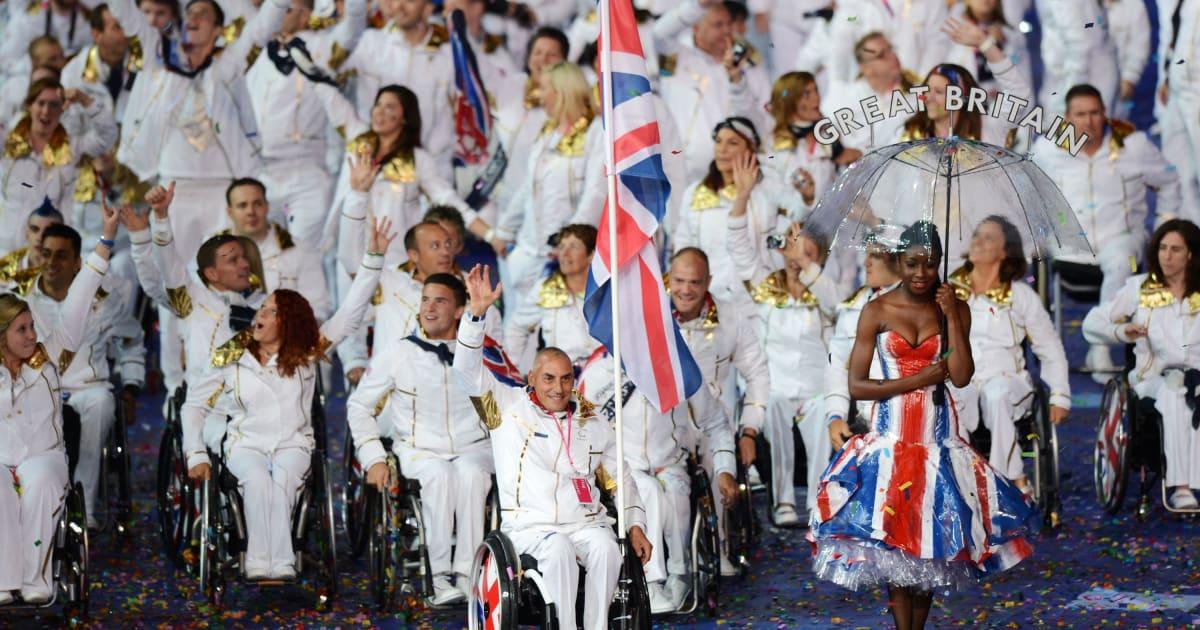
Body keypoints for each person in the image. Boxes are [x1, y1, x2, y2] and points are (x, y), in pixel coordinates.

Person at [810, 221, 1035, 630]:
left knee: (929, 541)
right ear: (899, 262)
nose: (920, 273)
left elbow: (963, 375)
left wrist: (951, 315)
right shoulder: (876, 310)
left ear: (941, 264)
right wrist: (918, 379)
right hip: (892, 437)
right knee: (897, 543)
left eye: (930, 265)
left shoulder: (954, 307)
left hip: (936, 436)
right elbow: (857, 386)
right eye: (912, 263)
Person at [182, 216, 391, 580]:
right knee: (257, 481)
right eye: (262, 308)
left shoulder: (306, 354)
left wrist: (372, 258)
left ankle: (279, 562)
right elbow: (194, 405)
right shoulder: (230, 354)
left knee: (282, 480)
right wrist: (196, 452)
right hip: (245, 443)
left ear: (288, 322)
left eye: (272, 311)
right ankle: (259, 559)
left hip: (293, 444)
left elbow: (349, 315)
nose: (260, 314)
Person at [453, 264, 653, 630]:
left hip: (586, 522)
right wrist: (476, 315)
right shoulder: (506, 409)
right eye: (548, 378)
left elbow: (619, 479)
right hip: (531, 526)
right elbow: (466, 371)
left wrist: (636, 523)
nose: (558, 388)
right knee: (559, 548)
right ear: (532, 378)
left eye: (565, 379)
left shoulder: (593, 421)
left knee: (608, 548)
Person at [347, 274, 494, 606]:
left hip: (472, 446)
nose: (429, 307)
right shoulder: (398, 352)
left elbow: (504, 404)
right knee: (439, 477)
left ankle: (468, 572)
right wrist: (373, 457)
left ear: (459, 311)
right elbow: (359, 405)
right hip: (419, 449)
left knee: (472, 475)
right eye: (426, 299)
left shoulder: (481, 352)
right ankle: (439, 576)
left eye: (440, 300)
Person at [0, 200, 117, 605]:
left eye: (32, 326)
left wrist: (104, 243)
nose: (32, 334)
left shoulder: (48, 357)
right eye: (22, 329)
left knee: (44, 483)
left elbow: (80, 297)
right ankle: (4, 580)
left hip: (42, 456)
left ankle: (36, 579)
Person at [106, 0, 288, 261]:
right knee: (173, 274)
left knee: (224, 273)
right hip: (173, 190)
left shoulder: (227, 65)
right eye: (190, 13)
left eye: (203, 15)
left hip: (221, 190)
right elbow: (127, 15)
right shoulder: (159, 57)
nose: (194, 18)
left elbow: (260, 29)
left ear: (217, 29)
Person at [1031, 84, 1181, 378]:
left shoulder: (1133, 145)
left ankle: (1100, 344)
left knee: (1120, 259)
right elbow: (1027, 188)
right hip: (1070, 248)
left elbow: (1169, 181)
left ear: (1105, 114)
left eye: (1095, 113)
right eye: (1081, 114)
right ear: (1067, 118)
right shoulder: (1047, 150)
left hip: (1123, 241)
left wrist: (1164, 226)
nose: (1089, 121)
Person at [576, 352, 740, 614]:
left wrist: (724, 468)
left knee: (672, 491)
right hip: (619, 466)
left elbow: (717, 423)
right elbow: (578, 425)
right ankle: (650, 580)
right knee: (647, 490)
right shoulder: (598, 373)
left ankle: (680, 571)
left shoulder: (682, 368)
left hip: (670, 462)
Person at [726, 153, 840, 526]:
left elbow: (834, 301)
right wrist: (742, 197)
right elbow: (740, 250)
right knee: (770, 403)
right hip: (776, 387)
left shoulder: (823, 289)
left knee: (825, 409)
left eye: (807, 251)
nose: (796, 256)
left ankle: (820, 499)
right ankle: (784, 501)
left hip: (813, 388)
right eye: (791, 247)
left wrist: (804, 263)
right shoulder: (765, 287)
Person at [15, 223, 143, 527]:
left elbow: (132, 340)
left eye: (61, 256)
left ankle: (83, 506)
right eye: (46, 254)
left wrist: (131, 385)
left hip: (88, 388)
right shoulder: (19, 299)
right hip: (35, 388)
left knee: (100, 405)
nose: (51, 263)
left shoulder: (105, 302)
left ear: (76, 262)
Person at [1083, 219, 1200, 509]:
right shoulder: (1139, 289)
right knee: (1175, 394)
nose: (1167, 256)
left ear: (1191, 255)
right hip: (1154, 379)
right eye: (1162, 248)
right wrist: (1122, 332)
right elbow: (1092, 323)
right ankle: (1182, 487)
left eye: (1175, 249)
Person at [947, 216, 1070, 490]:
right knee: (952, 395)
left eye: (989, 237)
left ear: (1005, 252)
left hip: (1006, 379)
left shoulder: (1021, 295)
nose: (978, 240)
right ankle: (969, 477)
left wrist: (1060, 394)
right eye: (977, 234)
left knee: (997, 394)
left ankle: (1004, 480)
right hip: (962, 376)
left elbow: (1049, 347)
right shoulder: (950, 291)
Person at [667, 247, 765, 574]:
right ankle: (672, 565)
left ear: (708, 281)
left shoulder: (731, 316)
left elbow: (758, 374)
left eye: (694, 282)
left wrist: (750, 428)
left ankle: (720, 548)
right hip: (667, 422)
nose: (685, 290)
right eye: (679, 280)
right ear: (668, 279)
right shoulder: (651, 317)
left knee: (717, 467)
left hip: (714, 423)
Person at [244, 0, 365, 250]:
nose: (277, 14)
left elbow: (354, 24)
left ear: (304, 16)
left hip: (305, 172)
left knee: (304, 255)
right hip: (260, 171)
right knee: (258, 255)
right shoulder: (257, 50)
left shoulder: (323, 48)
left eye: (286, 9)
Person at [491, 61, 601, 314]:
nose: (540, 95)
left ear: (562, 91)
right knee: (516, 331)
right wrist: (506, 230)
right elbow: (528, 187)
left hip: (563, 259)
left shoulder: (595, 133)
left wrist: (569, 244)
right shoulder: (547, 131)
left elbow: (595, 194)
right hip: (529, 251)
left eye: (545, 88)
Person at [653, 0, 770, 182]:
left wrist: (737, 81)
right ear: (696, 29)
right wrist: (698, 5)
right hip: (683, 174)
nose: (726, 31)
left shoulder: (750, 70)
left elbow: (759, 123)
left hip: (734, 176)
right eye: (718, 24)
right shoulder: (678, 59)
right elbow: (659, 34)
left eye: (729, 24)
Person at [672, 118, 780, 305]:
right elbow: (683, 246)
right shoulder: (695, 193)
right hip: (709, 300)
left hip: (755, 301)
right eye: (719, 141)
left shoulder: (770, 192)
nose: (722, 150)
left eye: (733, 143)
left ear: (751, 149)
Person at [1, 79, 118, 248]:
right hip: (7, 249)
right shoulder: (8, 143)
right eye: (40, 103)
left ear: (63, 109)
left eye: (54, 105)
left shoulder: (73, 148)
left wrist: (84, 100)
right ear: (29, 106)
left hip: (50, 252)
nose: (46, 111)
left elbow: (107, 135)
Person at [899, 17, 1033, 147]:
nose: (929, 98)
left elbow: (1018, 93)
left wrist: (984, 44)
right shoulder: (912, 135)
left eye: (939, 92)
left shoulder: (989, 128)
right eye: (926, 90)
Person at [825, 232, 901, 448]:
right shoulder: (852, 309)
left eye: (875, 255)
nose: (866, 262)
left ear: (898, 260)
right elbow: (837, 365)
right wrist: (835, 415)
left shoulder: (923, 308)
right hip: (865, 425)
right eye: (866, 254)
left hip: (910, 424)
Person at [219, 178, 331, 321]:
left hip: (284, 338)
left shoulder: (299, 250)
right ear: (229, 212)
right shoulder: (212, 252)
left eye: (257, 204)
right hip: (226, 339)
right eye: (242, 206)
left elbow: (318, 308)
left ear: (267, 206)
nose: (250, 212)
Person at [503, 224, 600, 372]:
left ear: (591, 254)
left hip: (604, 376)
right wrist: (511, 370)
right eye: (561, 247)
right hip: (561, 380)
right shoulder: (546, 288)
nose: (565, 254)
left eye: (573, 247)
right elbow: (516, 327)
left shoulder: (607, 291)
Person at [1160, 0, 1200, 224]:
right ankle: (1189, 237)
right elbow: (1175, 32)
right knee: (1177, 173)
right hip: (1178, 91)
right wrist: (1167, 74)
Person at [60, 4, 135, 119]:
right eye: (117, 27)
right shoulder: (72, 73)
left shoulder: (142, 64)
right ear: (96, 35)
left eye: (127, 26)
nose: (126, 33)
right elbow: (72, 126)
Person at [1, 202, 66, 285]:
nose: (40, 238)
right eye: (35, 229)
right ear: (26, 233)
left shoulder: (70, 276)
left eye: (48, 231)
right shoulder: (5, 268)